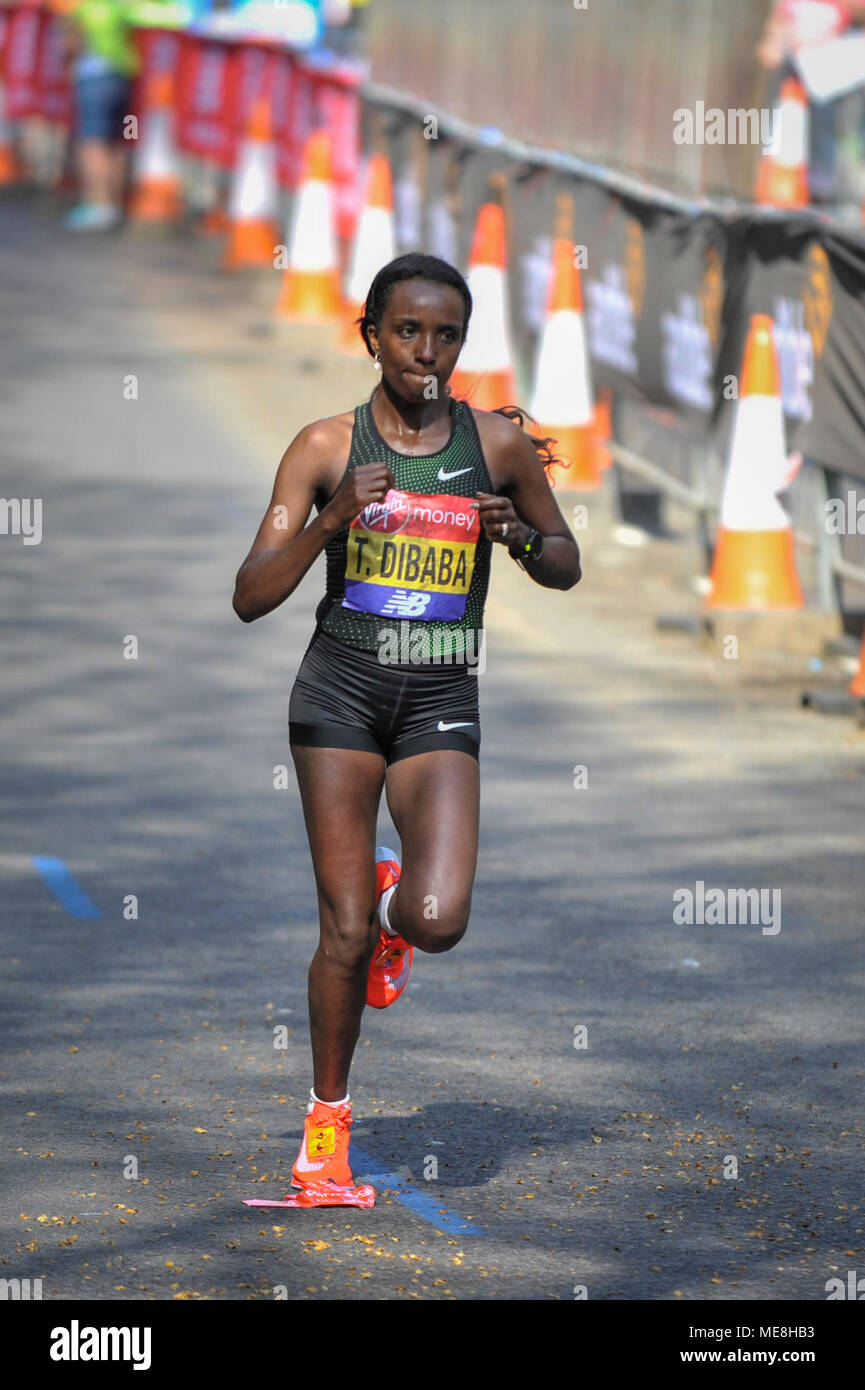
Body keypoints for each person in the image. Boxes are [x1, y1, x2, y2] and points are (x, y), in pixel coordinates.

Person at [233, 253, 581, 1198]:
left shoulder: (494, 443)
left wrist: (517, 536)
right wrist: (329, 519)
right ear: (371, 335)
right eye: (407, 332)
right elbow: (249, 597)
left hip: (437, 700)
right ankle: (324, 1137)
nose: (427, 352)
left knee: (437, 918)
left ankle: (396, 908)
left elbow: (565, 561)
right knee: (341, 936)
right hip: (337, 700)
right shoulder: (321, 447)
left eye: (447, 335)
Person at [59, 0, 140, 231]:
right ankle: (115, 202)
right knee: (120, 139)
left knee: (93, 142)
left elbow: (72, 42)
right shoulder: (125, 7)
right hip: (124, 78)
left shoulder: (83, 7)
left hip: (93, 78)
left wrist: (68, 62)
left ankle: (98, 204)